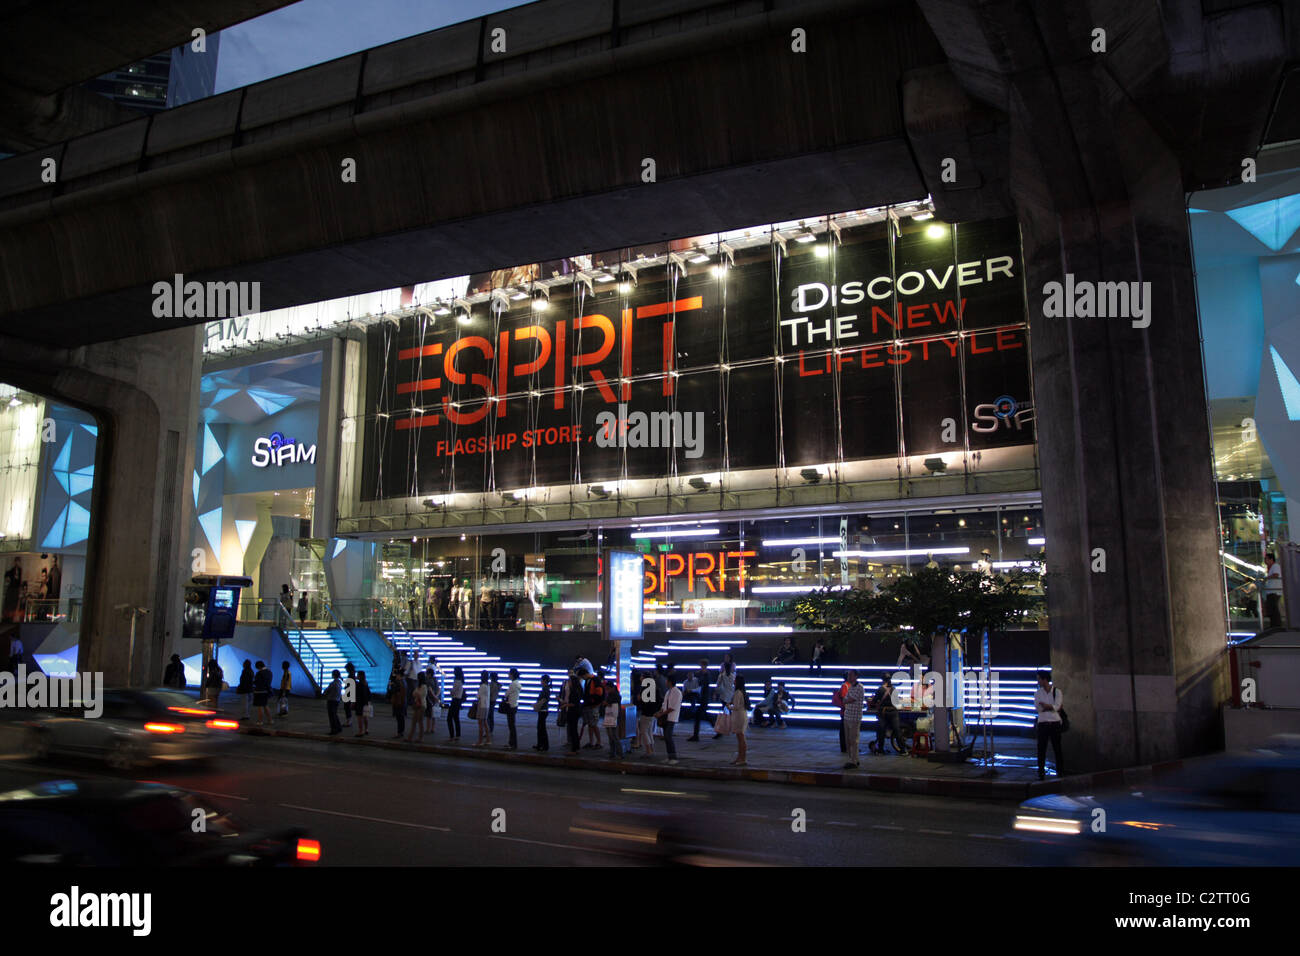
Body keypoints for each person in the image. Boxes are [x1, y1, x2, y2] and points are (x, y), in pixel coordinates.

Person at [1034, 670, 1065, 780]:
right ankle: (1041, 771)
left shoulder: (1057, 691)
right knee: (1041, 749)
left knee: (1057, 748)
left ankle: (1060, 771)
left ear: (1044, 679)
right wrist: (1051, 707)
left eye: (1039, 679)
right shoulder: (1038, 693)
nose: (1038, 681)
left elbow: (1057, 706)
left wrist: (1047, 706)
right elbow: (1038, 708)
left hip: (1055, 723)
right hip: (1043, 723)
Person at [868, 675, 907, 755]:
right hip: (893, 712)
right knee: (897, 730)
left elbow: (874, 701)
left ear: (882, 680)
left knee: (881, 731)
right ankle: (903, 750)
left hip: (883, 712)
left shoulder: (880, 689)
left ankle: (881, 750)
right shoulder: (894, 689)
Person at [657, 673, 682, 764]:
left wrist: (661, 714)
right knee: (667, 737)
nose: (666, 682)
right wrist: (661, 711)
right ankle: (670, 756)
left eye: (667, 681)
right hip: (666, 717)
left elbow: (672, 707)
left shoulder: (677, 692)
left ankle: (673, 757)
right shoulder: (669, 692)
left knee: (668, 736)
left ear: (670, 682)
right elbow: (665, 704)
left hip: (671, 717)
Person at [633, 668, 660, 757]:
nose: (640, 678)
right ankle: (651, 749)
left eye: (642, 676)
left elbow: (642, 700)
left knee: (643, 731)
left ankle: (648, 750)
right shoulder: (653, 687)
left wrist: (639, 699)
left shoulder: (645, 688)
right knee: (648, 731)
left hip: (646, 712)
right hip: (652, 713)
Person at [841, 670, 864, 768]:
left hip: (855, 717)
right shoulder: (850, 687)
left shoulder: (860, 687)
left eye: (851, 675)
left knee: (854, 740)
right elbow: (845, 699)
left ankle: (854, 761)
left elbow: (849, 699)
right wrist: (845, 700)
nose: (848, 676)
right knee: (849, 740)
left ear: (856, 676)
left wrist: (845, 700)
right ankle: (852, 759)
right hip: (847, 716)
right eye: (848, 675)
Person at [686, 659, 710, 741]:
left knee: (699, 716)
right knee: (704, 716)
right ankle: (717, 729)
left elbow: (703, 686)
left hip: (704, 697)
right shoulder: (702, 674)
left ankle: (696, 736)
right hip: (702, 698)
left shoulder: (706, 675)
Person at [561, 670, 585, 754]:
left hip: (572, 712)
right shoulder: (577, 691)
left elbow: (573, 703)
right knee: (574, 730)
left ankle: (574, 748)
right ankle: (576, 747)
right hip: (576, 712)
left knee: (573, 730)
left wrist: (565, 705)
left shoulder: (573, 692)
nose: (569, 683)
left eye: (570, 681)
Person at [712, 655, 736, 739]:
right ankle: (731, 727)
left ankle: (722, 730)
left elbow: (718, 685)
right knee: (729, 711)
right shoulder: (733, 676)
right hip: (730, 695)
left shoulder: (722, 675)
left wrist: (715, 693)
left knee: (724, 712)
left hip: (724, 696)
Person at [582, 669, 605, 749]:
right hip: (590, 705)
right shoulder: (590, 680)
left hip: (593, 705)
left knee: (593, 724)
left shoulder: (594, 680)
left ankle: (598, 742)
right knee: (591, 724)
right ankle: (592, 742)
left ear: (585, 674)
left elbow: (599, 693)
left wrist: (594, 702)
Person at [730, 675, 749, 766]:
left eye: (735, 680)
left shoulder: (737, 692)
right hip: (743, 714)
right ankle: (740, 758)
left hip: (739, 716)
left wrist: (728, 706)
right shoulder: (743, 692)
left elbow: (736, 706)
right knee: (741, 737)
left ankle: (742, 758)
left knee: (740, 738)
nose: (734, 682)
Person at [603, 679, 623, 759]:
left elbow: (612, 704)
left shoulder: (614, 695)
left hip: (613, 716)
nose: (607, 690)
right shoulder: (614, 694)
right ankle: (614, 752)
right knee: (612, 735)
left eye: (608, 689)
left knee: (614, 735)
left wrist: (606, 703)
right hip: (613, 716)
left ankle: (618, 753)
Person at [1264, 553, 1284, 629]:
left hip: (1274, 591)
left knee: (1274, 608)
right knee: (1272, 608)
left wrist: (1267, 578)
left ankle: (1276, 625)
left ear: (1271, 559)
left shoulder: (1275, 566)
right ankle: (1274, 624)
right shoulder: (1271, 567)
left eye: (1266, 559)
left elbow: (1276, 575)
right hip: (1271, 591)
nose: (1265, 561)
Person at [252, 661, 273, 731]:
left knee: (260, 707)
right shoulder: (270, 672)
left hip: (259, 691)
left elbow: (256, 682)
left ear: (259, 667)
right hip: (266, 691)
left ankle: (260, 721)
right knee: (265, 705)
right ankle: (270, 720)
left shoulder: (259, 673)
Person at [503, 667, 521, 749]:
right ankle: (512, 743)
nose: (508, 675)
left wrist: (505, 695)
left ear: (512, 674)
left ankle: (513, 744)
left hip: (510, 706)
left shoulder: (513, 684)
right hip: (515, 705)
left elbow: (506, 694)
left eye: (509, 673)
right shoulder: (517, 683)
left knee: (511, 726)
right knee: (512, 725)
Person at [407, 672, 428, 742]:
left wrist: (416, 694)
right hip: (417, 704)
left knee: (420, 721)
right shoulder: (419, 686)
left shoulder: (424, 686)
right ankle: (410, 737)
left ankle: (420, 738)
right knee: (414, 721)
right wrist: (417, 694)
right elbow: (414, 693)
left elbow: (420, 695)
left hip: (421, 705)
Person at [533, 673, 551, 751]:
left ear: (544, 681)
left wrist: (537, 705)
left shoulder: (545, 689)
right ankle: (541, 744)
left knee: (541, 728)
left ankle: (543, 745)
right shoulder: (547, 689)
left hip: (543, 710)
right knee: (541, 728)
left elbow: (543, 700)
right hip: (544, 710)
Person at [475, 671, 493, 746]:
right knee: (485, 723)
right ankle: (488, 740)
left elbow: (478, 696)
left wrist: (477, 692)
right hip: (486, 705)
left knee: (480, 724)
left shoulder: (482, 686)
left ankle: (480, 741)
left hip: (481, 705)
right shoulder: (488, 685)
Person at [388, 670, 407, 738]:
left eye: (397, 675)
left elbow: (395, 691)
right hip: (402, 702)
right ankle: (401, 732)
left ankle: (400, 732)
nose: (396, 676)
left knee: (399, 718)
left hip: (398, 702)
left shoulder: (399, 683)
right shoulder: (404, 682)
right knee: (401, 718)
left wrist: (391, 686)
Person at [448, 666, 465, 740]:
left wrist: (450, 692)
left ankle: (452, 735)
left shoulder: (456, 681)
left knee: (449, 718)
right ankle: (458, 734)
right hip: (459, 700)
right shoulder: (461, 681)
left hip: (455, 700)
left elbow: (453, 692)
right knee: (456, 718)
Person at [324, 669, 343, 735]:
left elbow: (326, 691)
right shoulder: (340, 683)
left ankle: (334, 729)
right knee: (335, 714)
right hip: (337, 700)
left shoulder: (333, 683)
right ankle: (338, 727)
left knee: (331, 715)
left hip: (331, 700)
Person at [3, 558, 21, 623]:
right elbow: (7, 574)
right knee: (10, 603)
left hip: (16, 589)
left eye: (18, 562)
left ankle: (11, 618)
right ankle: (7, 618)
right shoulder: (12, 570)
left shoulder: (20, 570)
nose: (17, 563)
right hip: (12, 588)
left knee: (14, 603)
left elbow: (19, 580)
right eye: (16, 562)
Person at [354, 671, 372, 736]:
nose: (356, 676)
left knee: (359, 717)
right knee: (365, 717)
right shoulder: (365, 683)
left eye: (357, 675)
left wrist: (353, 703)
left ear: (360, 676)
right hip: (366, 702)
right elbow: (369, 693)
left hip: (359, 703)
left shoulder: (358, 684)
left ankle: (360, 731)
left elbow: (356, 695)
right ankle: (366, 729)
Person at [423, 664, 440, 736]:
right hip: (435, 699)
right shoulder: (435, 679)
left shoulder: (428, 680)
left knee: (428, 715)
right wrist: (437, 697)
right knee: (434, 714)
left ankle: (427, 728)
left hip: (429, 699)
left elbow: (430, 690)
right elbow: (439, 689)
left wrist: (434, 697)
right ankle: (433, 728)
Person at [343, 661, 357, 728]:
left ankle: (348, 721)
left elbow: (350, 685)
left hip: (349, 693)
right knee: (347, 707)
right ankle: (349, 721)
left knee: (347, 707)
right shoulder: (353, 675)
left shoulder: (351, 675)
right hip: (350, 693)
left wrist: (346, 687)